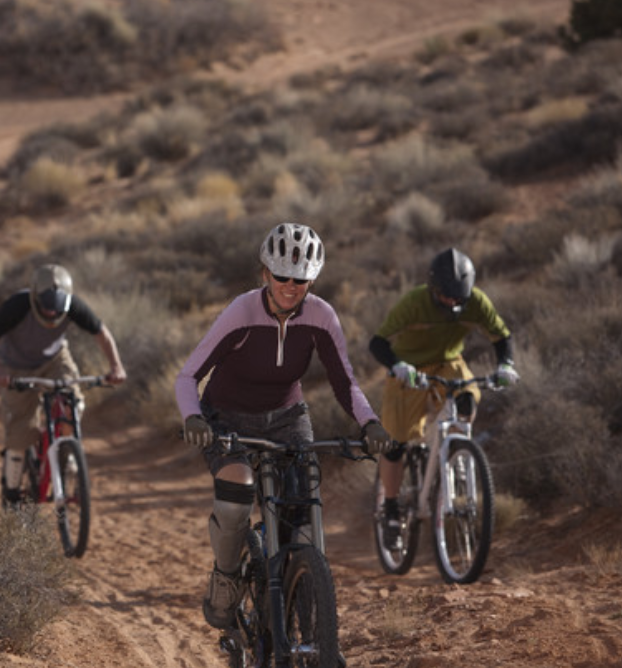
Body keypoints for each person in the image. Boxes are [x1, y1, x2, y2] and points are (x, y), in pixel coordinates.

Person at [176, 222, 392, 630]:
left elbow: (344, 382)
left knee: (305, 518)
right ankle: (225, 578)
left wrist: (370, 422)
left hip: (289, 418)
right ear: (265, 275)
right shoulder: (241, 312)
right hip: (226, 417)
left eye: (302, 279)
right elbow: (188, 376)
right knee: (237, 492)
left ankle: (315, 633)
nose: (292, 287)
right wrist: (193, 418)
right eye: (282, 277)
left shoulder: (321, 316)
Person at [369, 247, 519, 550]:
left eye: (459, 297)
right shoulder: (413, 302)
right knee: (395, 442)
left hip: (448, 363)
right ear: (434, 289)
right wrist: (397, 365)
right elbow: (378, 342)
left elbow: (501, 336)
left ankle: (455, 451)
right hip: (408, 369)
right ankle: (393, 510)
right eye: (446, 296)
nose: (453, 302)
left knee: (466, 398)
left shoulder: (475, 301)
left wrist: (506, 365)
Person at [0, 263, 127, 505]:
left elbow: (101, 333)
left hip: (55, 360)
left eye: (56, 308)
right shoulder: (18, 305)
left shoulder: (73, 305)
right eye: (46, 307)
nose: (51, 313)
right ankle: (12, 489)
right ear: (35, 296)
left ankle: (69, 456)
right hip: (17, 366)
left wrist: (116, 366)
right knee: (20, 433)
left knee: (73, 402)